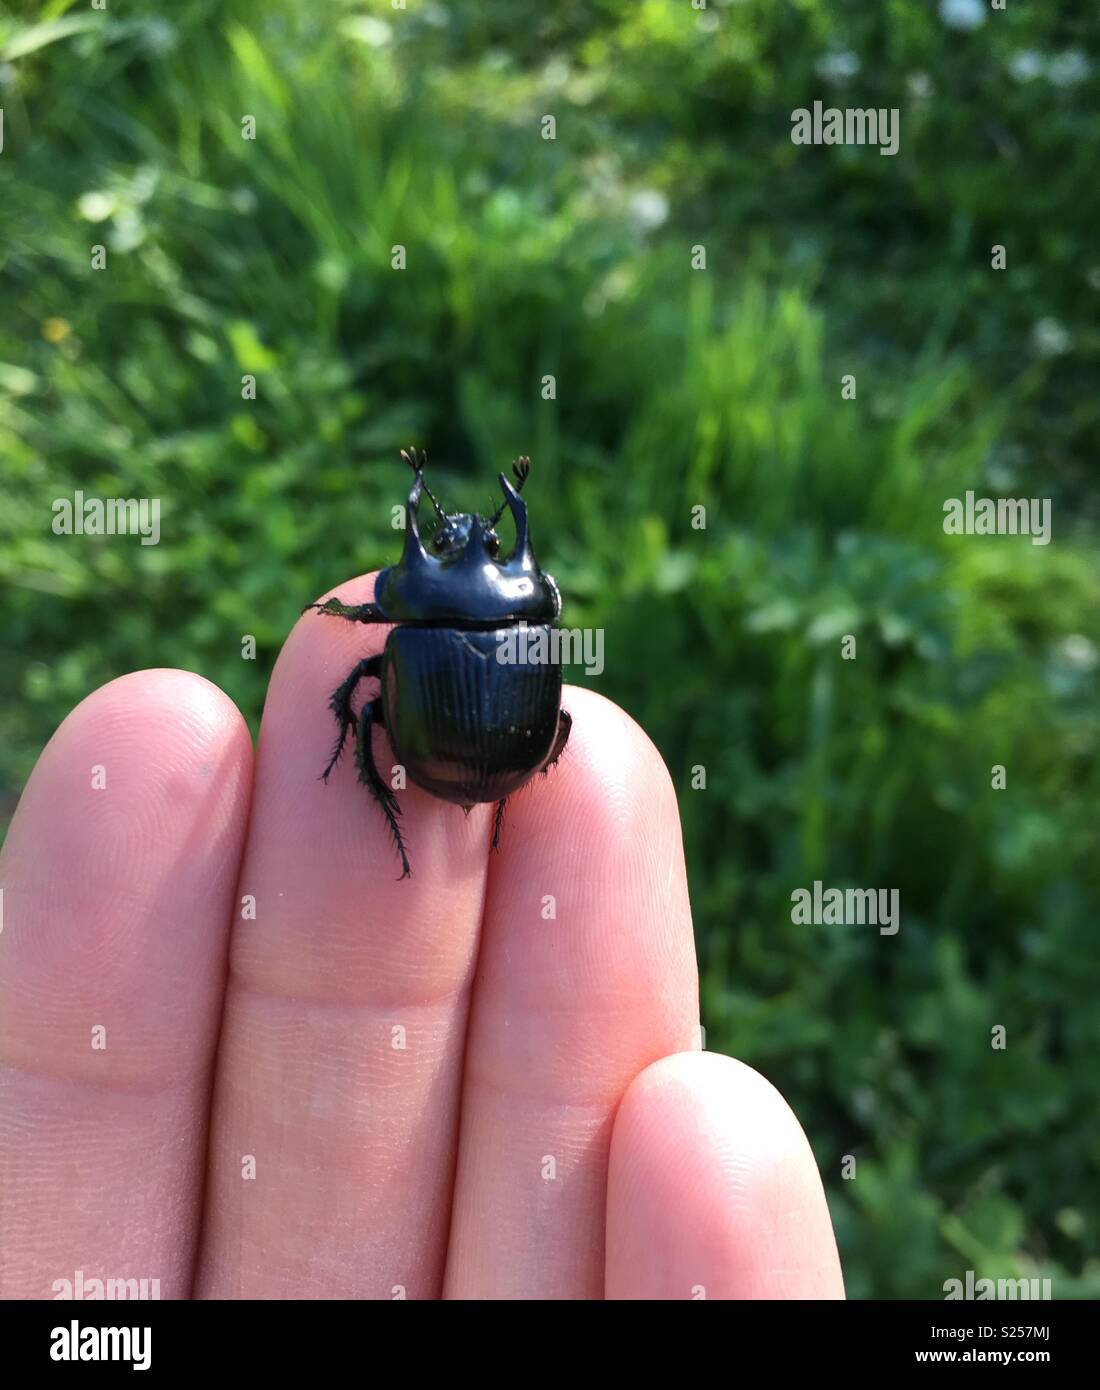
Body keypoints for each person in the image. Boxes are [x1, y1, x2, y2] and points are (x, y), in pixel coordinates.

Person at [0, 572, 843, 1299]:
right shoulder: (529, 633)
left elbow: (356, 695)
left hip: (441, 751)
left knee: (360, 703)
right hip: (503, 752)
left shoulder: (400, 637)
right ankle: (464, 805)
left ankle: (398, 807)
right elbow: (557, 719)